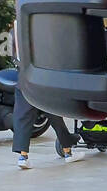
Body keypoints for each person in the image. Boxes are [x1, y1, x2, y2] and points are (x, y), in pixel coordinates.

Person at [6, 18, 79, 168]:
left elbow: (13, 54)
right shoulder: (43, 25)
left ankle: (23, 157)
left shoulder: (16, 27)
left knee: (22, 116)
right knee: (53, 113)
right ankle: (67, 150)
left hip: (24, 77)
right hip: (44, 77)